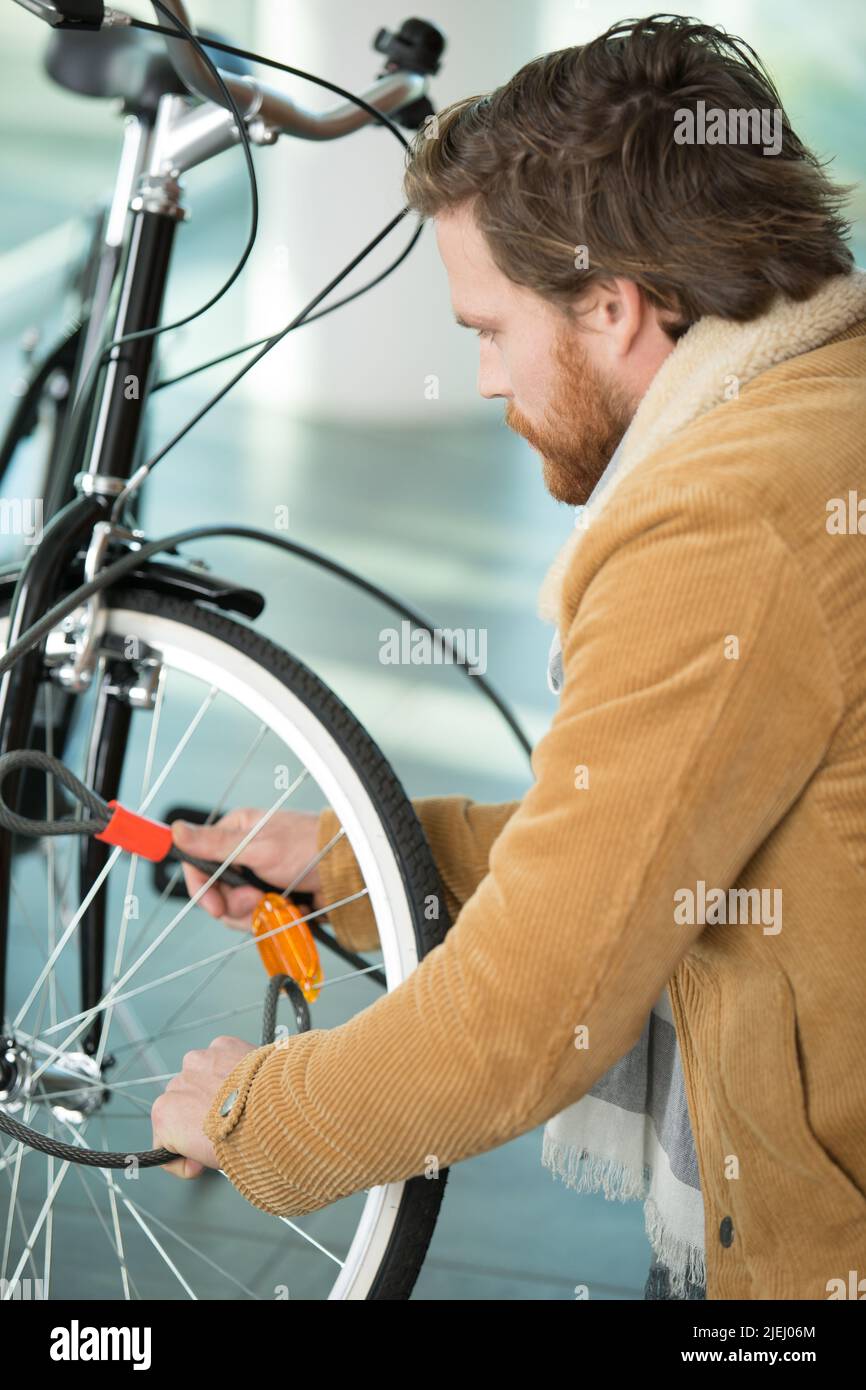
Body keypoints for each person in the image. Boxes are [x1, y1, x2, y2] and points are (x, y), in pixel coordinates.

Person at [151, 14, 866, 1300]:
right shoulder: (823, 410)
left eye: (487, 328)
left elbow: (524, 1021)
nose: (481, 379)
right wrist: (355, 860)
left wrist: (249, 1116)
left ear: (611, 304)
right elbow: (646, 844)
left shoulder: (715, 526)